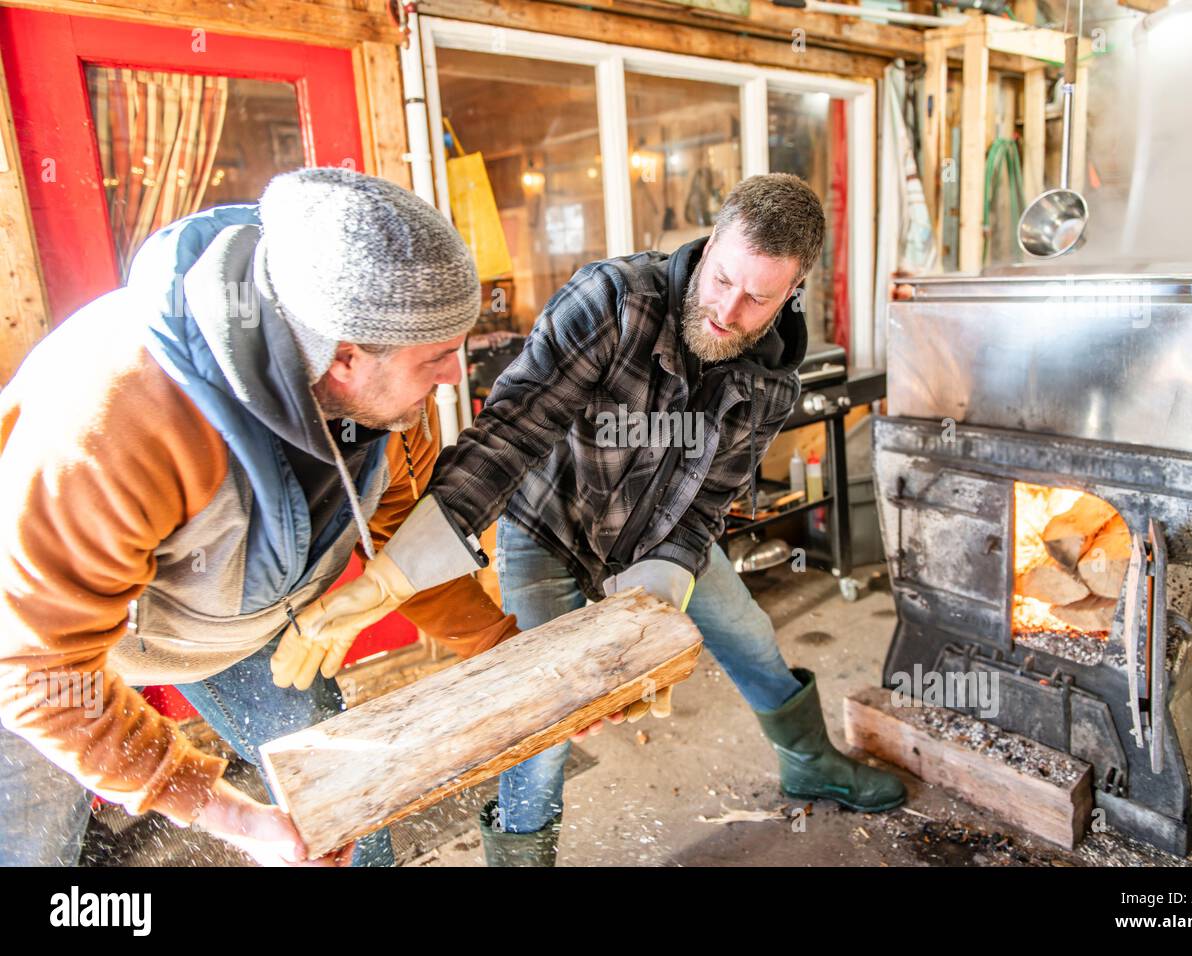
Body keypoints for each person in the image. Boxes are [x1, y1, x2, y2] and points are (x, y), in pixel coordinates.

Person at [277, 173, 907, 867]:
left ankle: (810, 760)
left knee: (754, 638)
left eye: (758, 297)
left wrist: (651, 610)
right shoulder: (614, 302)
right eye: (722, 278)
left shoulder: (773, 380)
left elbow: (703, 506)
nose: (728, 309)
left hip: (661, 538)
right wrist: (399, 571)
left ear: (791, 293)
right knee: (545, 716)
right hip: (550, 529)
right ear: (708, 246)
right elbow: (513, 429)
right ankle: (521, 860)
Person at [0, 168, 517, 866]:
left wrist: (504, 651)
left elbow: (399, 538)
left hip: (220, 629)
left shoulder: (391, 402)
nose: (456, 375)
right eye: (437, 359)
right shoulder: (117, 415)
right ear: (344, 358)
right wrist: (234, 818)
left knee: (344, 816)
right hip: (33, 635)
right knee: (34, 850)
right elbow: (38, 668)